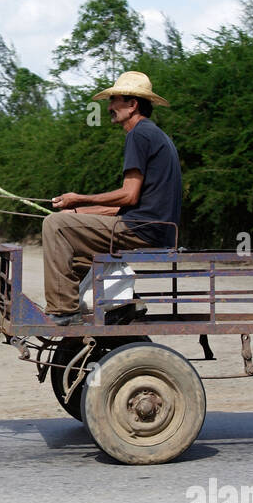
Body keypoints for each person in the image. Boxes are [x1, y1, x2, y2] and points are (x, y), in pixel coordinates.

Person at [42, 70, 182, 325]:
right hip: (155, 228)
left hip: (143, 229)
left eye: (114, 100)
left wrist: (78, 199)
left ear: (132, 104)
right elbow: (133, 203)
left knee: (55, 226)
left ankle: (64, 310)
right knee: (66, 226)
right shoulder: (152, 133)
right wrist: (76, 213)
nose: (109, 107)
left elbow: (128, 196)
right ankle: (127, 300)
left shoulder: (138, 134)